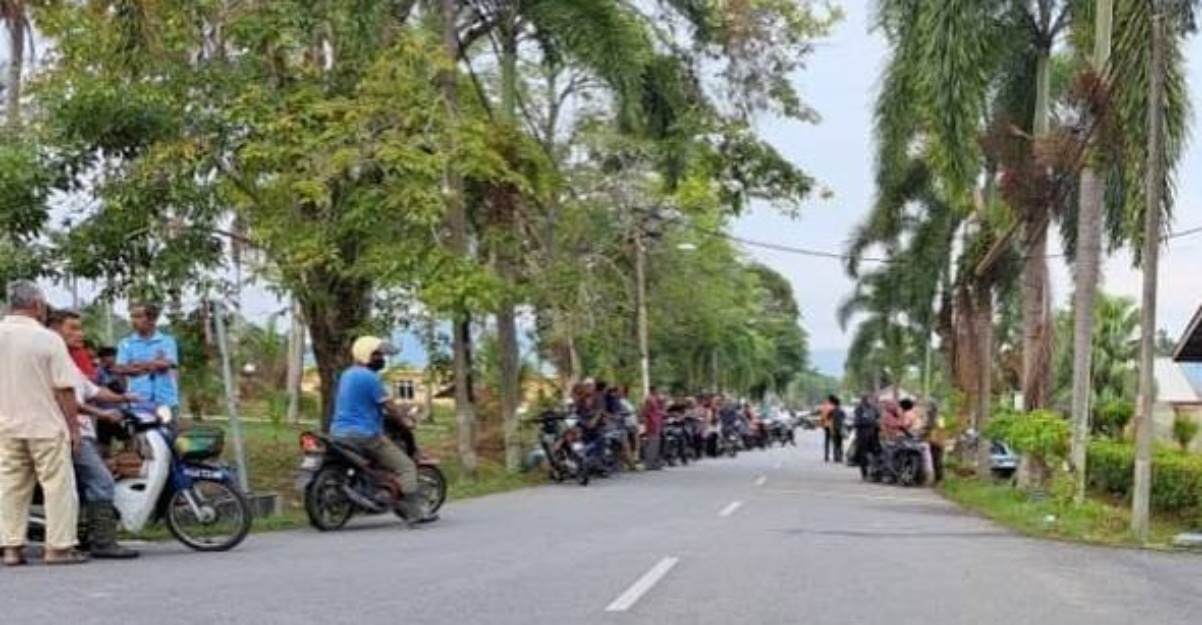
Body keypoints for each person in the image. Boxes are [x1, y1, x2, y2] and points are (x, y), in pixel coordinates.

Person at [0, 281, 87, 565]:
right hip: (45, 426)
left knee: (10, 487)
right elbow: (64, 388)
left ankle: (11, 549)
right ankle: (58, 548)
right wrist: (74, 429)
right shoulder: (48, 339)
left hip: (7, 425)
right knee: (58, 487)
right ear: (37, 305)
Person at [47, 310, 139, 559]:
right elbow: (67, 400)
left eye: (80, 328)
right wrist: (103, 414)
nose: (80, 334)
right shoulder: (51, 359)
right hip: (68, 432)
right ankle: (103, 541)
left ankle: (81, 535)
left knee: (80, 484)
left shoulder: (67, 361)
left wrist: (123, 398)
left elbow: (92, 390)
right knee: (101, 480)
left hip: (82, 432)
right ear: (55, 329)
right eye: (73, 328)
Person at [329, 336, 433, 526]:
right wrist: (405, 421)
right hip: (364, 435)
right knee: (406, 466)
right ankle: (413, 511)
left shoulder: (346, 374)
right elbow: (389, 406)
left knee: (376, 464)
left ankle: (374, 491)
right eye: (377, 354)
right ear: (365, 354)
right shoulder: (370, 378)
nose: (381, 358)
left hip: (338, 433)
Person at [115, 302, 180, 417]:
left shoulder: (167, 341)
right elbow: (120, 369)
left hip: (166, 401)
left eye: (139, 316)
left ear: (152, 319)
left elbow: (165, 364)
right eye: (132, 316)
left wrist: (137, 364)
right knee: (141, 434)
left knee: (168, 434)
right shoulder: (125, 343)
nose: (134, 321)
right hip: (138, 402)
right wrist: (154, 363)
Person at [852, 395, 881, 480]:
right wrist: (870, 422)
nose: (871, 401)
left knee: (876, 453)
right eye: (869, 399)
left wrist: (877, 423)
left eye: (872, 399)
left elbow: (878, 417)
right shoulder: (859, 408)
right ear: (865, 399)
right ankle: (864, 473)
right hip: (862, 435)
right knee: (863, 454)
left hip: (873, 435)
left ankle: (874, 471)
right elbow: (857, 422)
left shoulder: (874, 408)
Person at [641, 386, 666, 470]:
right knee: (652, 444)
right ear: (653, 390)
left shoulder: (657, 400)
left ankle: (654, 463)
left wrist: (662, 403)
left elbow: (661, 409)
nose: (658, 392)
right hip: (652, 424)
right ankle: (648, 464)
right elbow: (645, 411)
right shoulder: (649, 399)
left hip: (657, 423)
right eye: (657, 390)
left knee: (656, 444)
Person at [822, 395, 846, 463]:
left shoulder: (830, 409)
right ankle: (840, 457)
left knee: (834, 442)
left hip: (833, 428)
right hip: (840, 428)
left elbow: (827, 417)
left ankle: (833, 457)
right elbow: (844, 417)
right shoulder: (841, 410)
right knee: (840, 443)